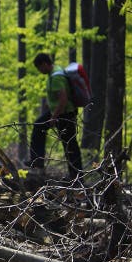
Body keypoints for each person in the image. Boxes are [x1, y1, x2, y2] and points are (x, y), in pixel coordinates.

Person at [26, 53, 83, 181]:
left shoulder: (57, 77)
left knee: (70, 145)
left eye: (39, 67)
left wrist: (53, 117)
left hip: (65, 114)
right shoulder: (55, 73)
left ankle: (77, 177)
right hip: (60, 112)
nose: (39, 71)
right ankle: (37, 161)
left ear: (45, 64)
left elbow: (63, 100)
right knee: (39, 126)